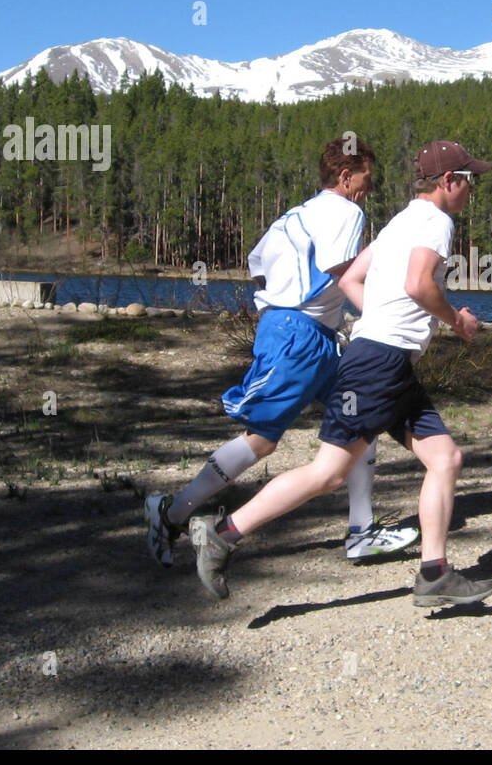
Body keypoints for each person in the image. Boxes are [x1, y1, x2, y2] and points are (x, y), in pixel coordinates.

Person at [188, 140, 492, 608]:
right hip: (379, 364)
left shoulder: (400, 220)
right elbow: (418, 284)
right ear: (448, 181)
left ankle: (434, 573)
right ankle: (224, 534)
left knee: (446, 459)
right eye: (470, 180)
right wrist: (456, 321)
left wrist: (383, 321)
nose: (472, 190)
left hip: (388, 362)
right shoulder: (436, 221)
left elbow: (351, 279)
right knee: (329, 472)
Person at [144, 136, 418, 567]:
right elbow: (343, 272)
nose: (371, 188)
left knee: (358, 424)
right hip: (301, 338)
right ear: (346, 177)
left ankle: (362, 531)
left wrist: (286, 310)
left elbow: (258, 269)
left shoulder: (295, 214)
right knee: (263, 439)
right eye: (368, 178)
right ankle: (173, 512)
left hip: (306, 334)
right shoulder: (348, 211)